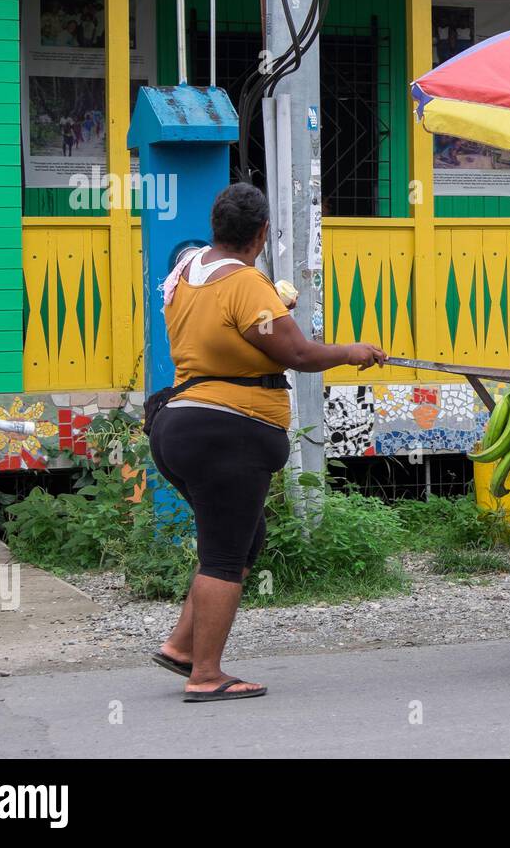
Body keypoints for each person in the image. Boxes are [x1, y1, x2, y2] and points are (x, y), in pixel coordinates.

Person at [148, 182, 386, 701]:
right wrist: (352, 351)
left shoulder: (184, 272)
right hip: (225, 429)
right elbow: (296, 354)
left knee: (242, 538)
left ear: (216, 228)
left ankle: (181, 646)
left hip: (180, 423)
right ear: (260, 234)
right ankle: (206, 675)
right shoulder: (247, 283)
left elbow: (233, 335)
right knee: (225, 555)